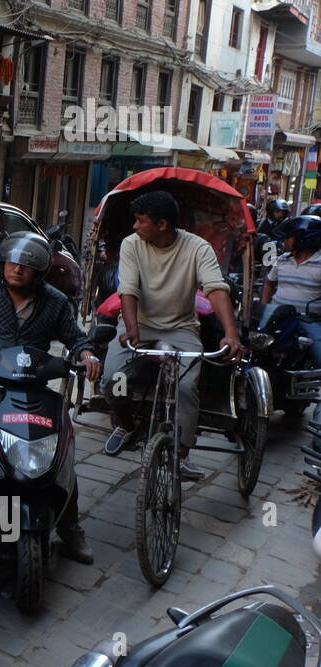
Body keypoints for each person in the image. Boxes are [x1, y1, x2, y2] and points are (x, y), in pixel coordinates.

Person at [0, 233, 101, 564]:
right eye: (13, 263)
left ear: (41, 273)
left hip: (33, 387)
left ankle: (70, 526)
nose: (18, 270)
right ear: (3, 264)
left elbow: (75, 338)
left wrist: (87, 353)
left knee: (62, 450)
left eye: (27, 266)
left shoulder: (56, 302)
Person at [101, 191, 243, 479]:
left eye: (140, 221)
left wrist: (231, 334)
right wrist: (131, 328)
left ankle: (181, 454)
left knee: (187, 388)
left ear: (162, 224)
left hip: (181, 327)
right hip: (137, 324)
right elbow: (127, 289)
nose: (135, 226)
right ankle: (126, 424)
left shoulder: (197, 248)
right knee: (111, 380)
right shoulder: (132, 245)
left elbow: (215, 289)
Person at [261, 215, 321, 362]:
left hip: (309, 321)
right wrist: (264, 308)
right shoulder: (282, 259)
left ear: (302, 239)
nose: (284, 241)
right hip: (277, 317)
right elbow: (269, 283)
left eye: (288, 237)